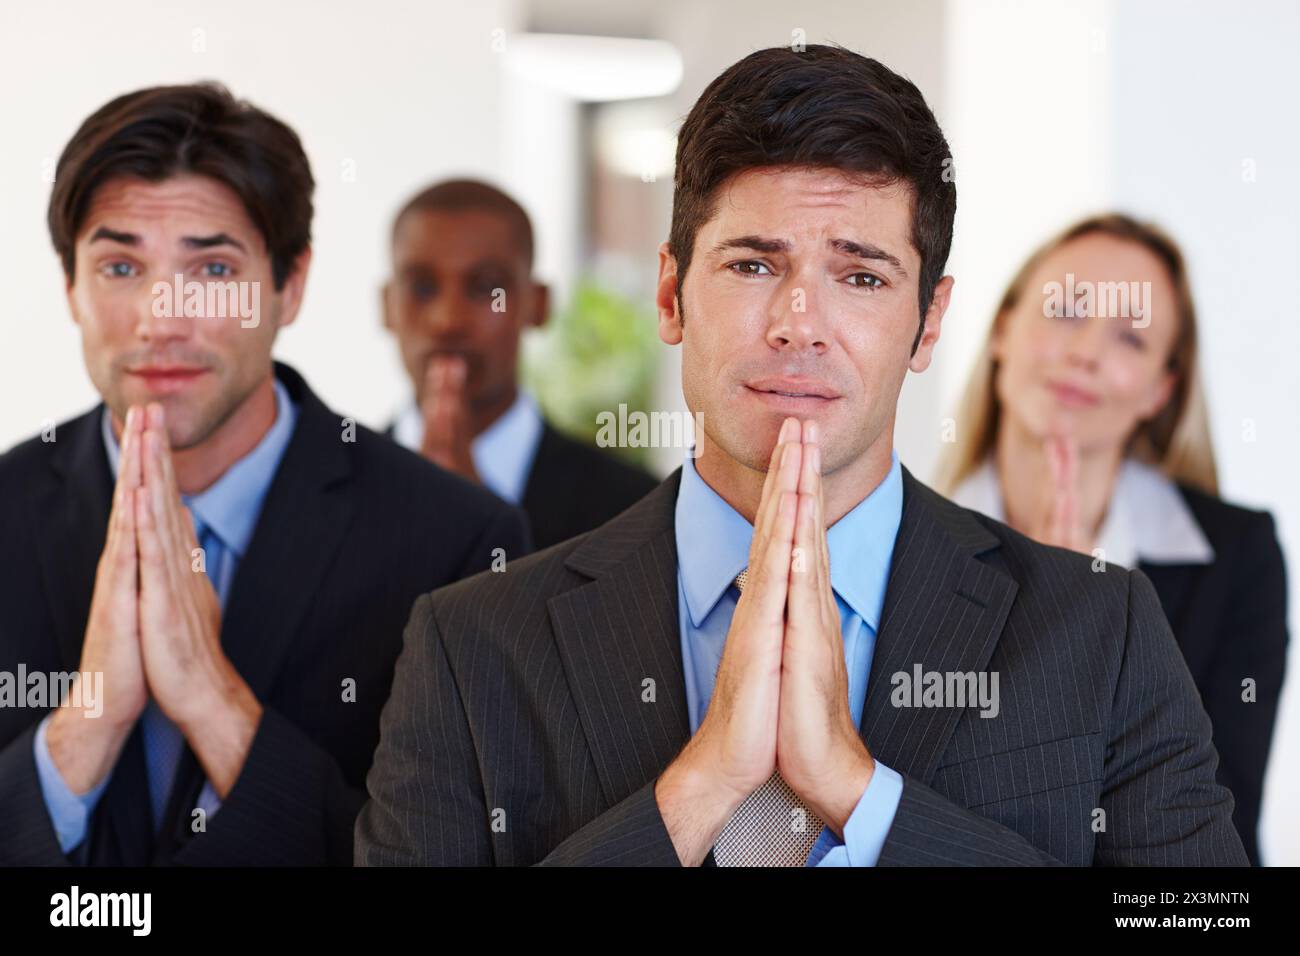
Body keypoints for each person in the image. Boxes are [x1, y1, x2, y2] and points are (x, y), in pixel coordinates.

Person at [355, 45, 1246, 866]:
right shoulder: (472, 646)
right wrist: (697, 789)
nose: (799, 324)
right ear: (671, 294)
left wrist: (862, 797)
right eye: (752, 265)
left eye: (860, 277)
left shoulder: (1101, 630)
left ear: (929, 322)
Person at [0, 83, 528, 866]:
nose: (160, 318)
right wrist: (87, 725)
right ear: (69, 287)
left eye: (212, 269)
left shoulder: (456, 542)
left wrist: (214, 703)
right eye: (119, 266)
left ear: (290, 285)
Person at [936, 214, 1288, 865]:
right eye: (1067, 310)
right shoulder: (901, 535)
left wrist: (1077, 640)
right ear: (1004, 329)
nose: (1088, 352)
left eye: (1130, 336)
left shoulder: (1236, 558)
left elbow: (1212, 836)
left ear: (1161, 389)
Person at [382, 179, 658, 549]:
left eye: (485, 288)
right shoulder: (326, 492)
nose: (448, 320)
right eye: (422, 288)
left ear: (538, 304)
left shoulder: (634, 509)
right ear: (387, 305)